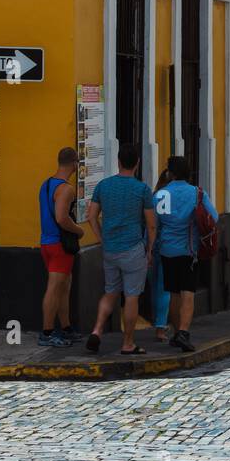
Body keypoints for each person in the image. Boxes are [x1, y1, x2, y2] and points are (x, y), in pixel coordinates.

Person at [86, 143, 157, 356]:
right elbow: (151, 224)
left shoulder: (103, 186)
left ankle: (97, 330)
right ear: (137, 163)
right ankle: (128, 343)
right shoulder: (142, 189)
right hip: (133, 249)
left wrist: (102, 239)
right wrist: (150, 249)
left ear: (118, 162)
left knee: (110, 292)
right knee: (132, 296)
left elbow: (91, 216)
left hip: (110, 249)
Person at [154, 155, 219, 353]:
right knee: (188, 292)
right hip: (189, 250)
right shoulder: (197, 193)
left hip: (167, 250)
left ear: (170, 173)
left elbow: (154, 224)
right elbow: (213, 217)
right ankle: (183, 332)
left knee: (173, 291)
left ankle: (175, 332)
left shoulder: (160, 194)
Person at [37, 147, 86, 347]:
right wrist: (78, 231)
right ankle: (47, 333)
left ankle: (66, 328)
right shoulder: (66, 189)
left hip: (46, 243)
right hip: (59, 245)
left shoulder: (46, 185)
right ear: (74, 164)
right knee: (55, 288)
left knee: (64, 287)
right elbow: (61, 218)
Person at [147, 169, 174, 342]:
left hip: (150, 245)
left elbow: (148, 224)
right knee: (164, 288)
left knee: (154, 286)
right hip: (166, 246)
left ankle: (156, 321)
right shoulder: (172, 198)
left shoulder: (153, 196)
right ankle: (160, 327)